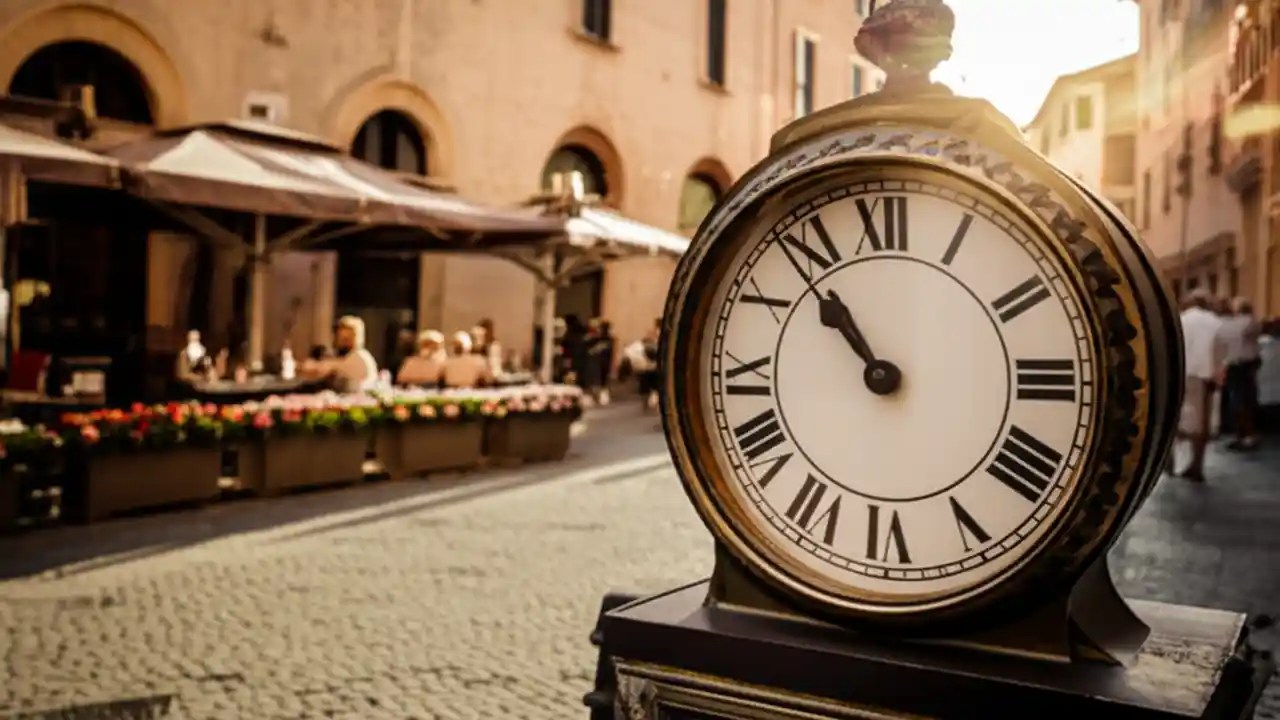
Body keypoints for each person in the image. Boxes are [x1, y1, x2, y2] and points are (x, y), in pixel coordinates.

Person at [1175, 290, 1227, 482]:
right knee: (1201, 421)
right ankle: (1197, 464)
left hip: (1181, 373)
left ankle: (1168, 462)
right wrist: (1218, 376)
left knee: (1175, 416)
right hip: (1204, 374)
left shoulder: (1180, 319)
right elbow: (1220, 351)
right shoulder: (1214, 322)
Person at [1220, 296, 1262, 451]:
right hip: (1246, 364)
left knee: (1237, 399)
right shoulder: (1250, 322)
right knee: (1246, 399)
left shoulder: (1231, 324)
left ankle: (1242, 434)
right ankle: (1247, 434)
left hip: (1234, 364)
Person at [301, 315, 379, 392]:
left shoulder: (357, 358)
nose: (339, 342)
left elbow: (318, 368)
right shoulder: (360, 355)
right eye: (340, 337)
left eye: (345, 338)